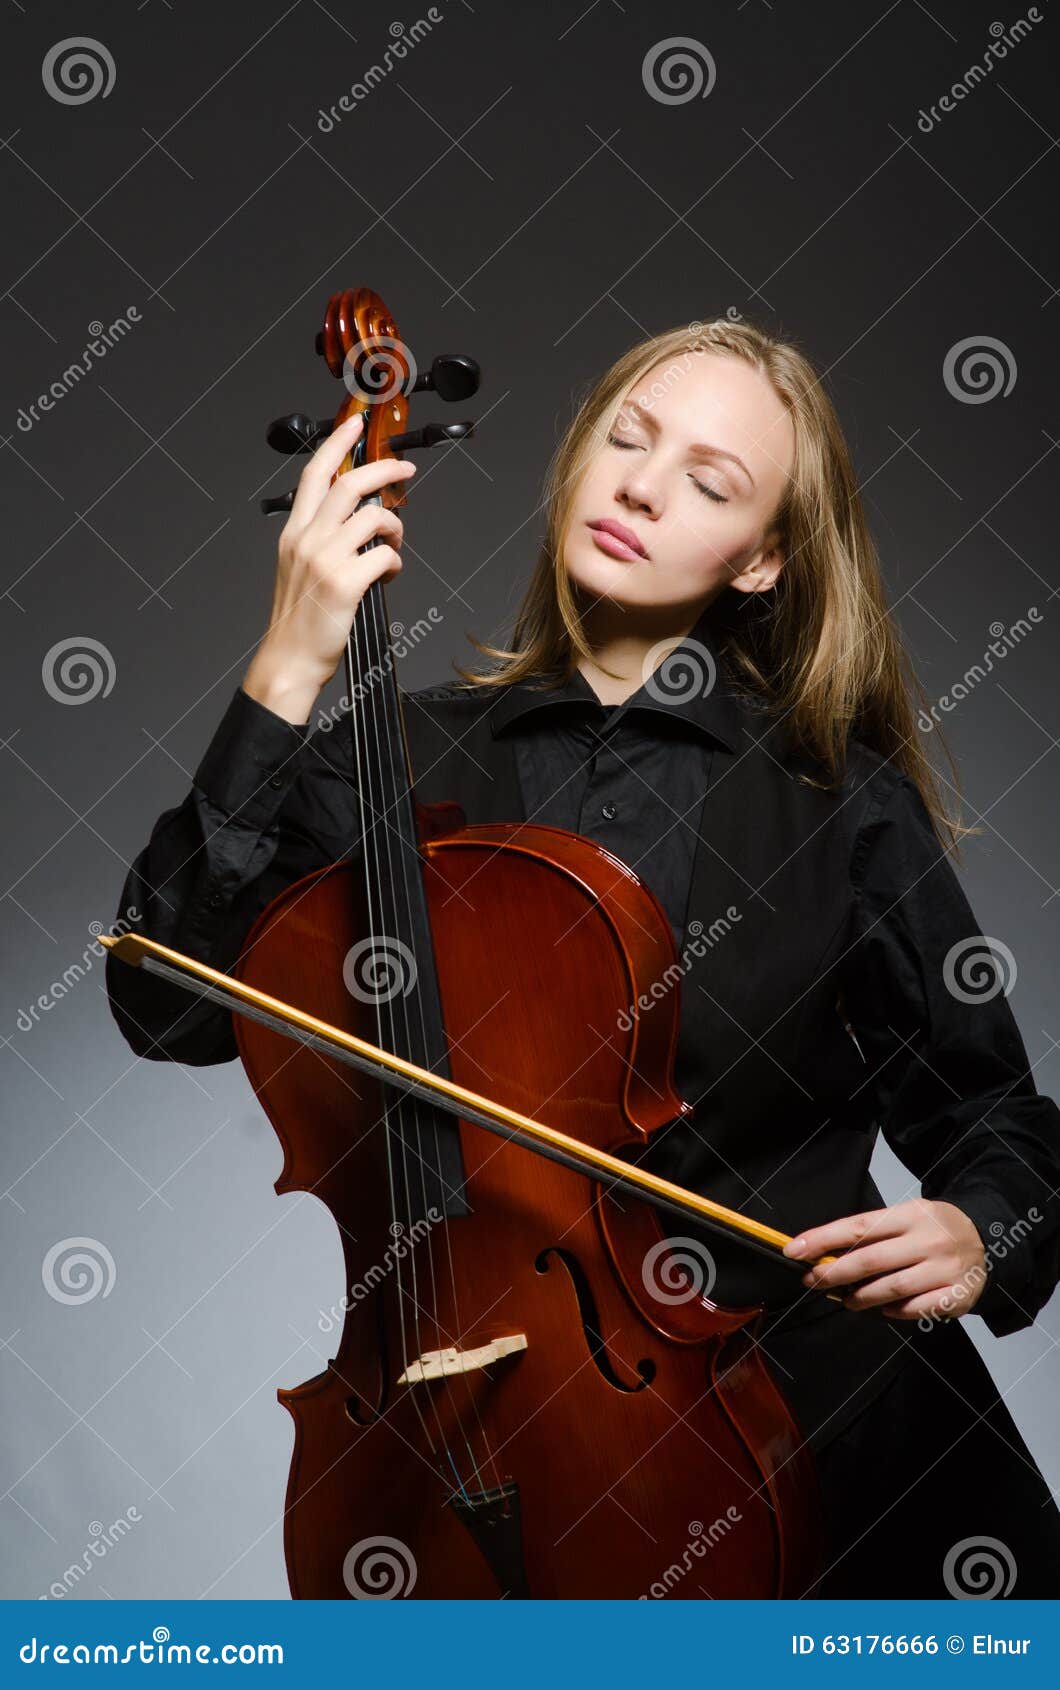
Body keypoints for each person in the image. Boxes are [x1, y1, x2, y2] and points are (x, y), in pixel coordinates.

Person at [106, 316, 1060, 1598]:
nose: (641, 487)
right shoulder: (389, 767)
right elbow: (164, 1001)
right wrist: (288, 661)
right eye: (626, 438)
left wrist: (983, 1228)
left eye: (710, 483)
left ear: (763, 559)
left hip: (830, 1432)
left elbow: (996, 1114)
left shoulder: (836, 801)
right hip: (464, 1423)